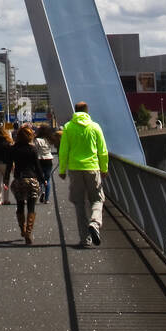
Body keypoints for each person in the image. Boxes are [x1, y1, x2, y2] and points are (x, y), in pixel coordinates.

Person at [58, 100, 108, 247]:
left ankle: (85, 238)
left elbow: (63, 151)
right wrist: (104, 169)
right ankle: (95, 222)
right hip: (92, 168)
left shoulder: (68, 127)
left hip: (74, 169)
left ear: (75, 110)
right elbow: (103, 151)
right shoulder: (95, 127)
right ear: (87, 111)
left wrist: (62, 170)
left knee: (79, 203)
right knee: (98, 199)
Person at [6, 124, 42, 243]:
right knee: (31, 207)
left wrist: (6, 179)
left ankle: (22, 228)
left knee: (20, 205)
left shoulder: (13, 149)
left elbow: (9, 166)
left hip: (18, 180)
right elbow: (37, 167)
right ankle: (29, 232)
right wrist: (43, 180)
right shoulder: (32, 149)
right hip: (31, 180)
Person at [35, 126, 55, 203]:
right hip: (49, 159)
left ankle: (41, 192)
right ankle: (46, 199)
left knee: (40, 178)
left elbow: (35, 149)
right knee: (47, 179)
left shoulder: (37, 140)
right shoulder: (49, 140)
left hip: (39, 159)